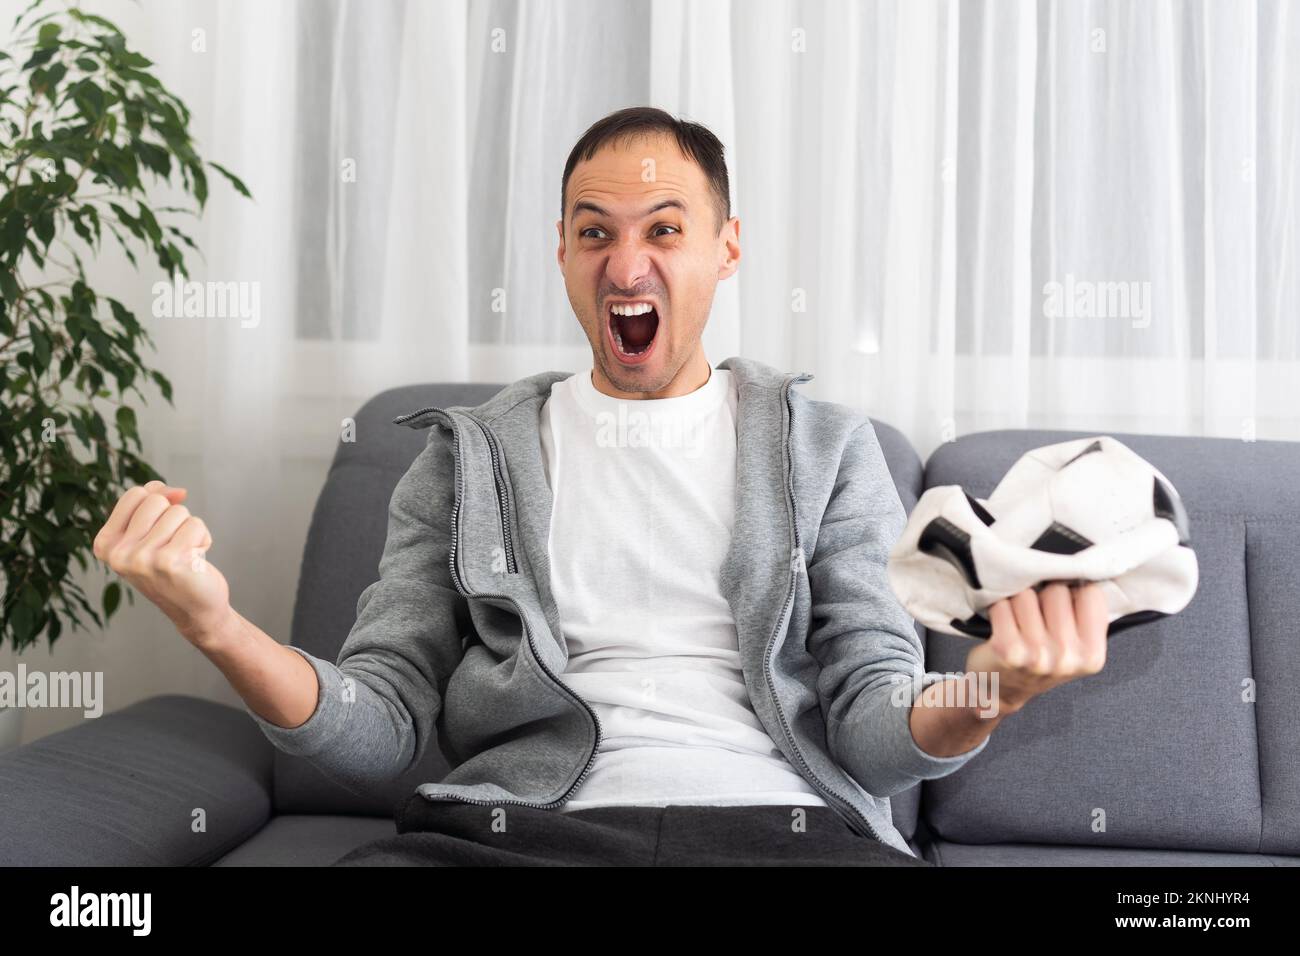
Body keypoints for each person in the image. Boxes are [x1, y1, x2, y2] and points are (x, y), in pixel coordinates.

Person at [92, 107, 1109, 867]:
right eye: (594, 232)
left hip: (783, 832)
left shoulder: (829, 450)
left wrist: (994, 688)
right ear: (564, 252)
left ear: (726, 247)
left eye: (664, 230)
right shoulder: (467, 455)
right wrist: (218, 627)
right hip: (515, 835)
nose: (627, 264)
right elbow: (382, 727)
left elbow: (871, 725)